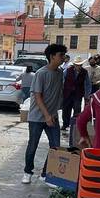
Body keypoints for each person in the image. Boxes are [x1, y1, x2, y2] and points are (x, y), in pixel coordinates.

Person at [24, 43, 66, 183]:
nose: (63, 58)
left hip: (52, 116)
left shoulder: (60, 72)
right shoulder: (41, 73)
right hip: (37, 117)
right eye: (61, 55)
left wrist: (54, 112)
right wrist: (46, 115)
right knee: (33, 145)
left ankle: (45, 173)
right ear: (52, 56)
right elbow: (37, 96)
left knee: (55, 146)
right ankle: (27, 172)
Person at [61, 56, 86, 132]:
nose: (79, 66)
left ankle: (75, 125)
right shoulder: (67, 70)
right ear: (74, 64)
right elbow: (62, 80)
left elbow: (87, 83)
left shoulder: (84, 72)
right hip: (67, 93)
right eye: (77, 65)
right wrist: (61, 91)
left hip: (78, 94)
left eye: (80, 65)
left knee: (77, 110)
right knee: (66, 110)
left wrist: (87, 95)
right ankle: (65, 124)